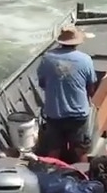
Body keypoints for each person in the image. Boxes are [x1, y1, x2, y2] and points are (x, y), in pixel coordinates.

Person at [36, 25, 98, 164]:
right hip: (78, 115)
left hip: (54, 113)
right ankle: (83, 174)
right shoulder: (85, 60)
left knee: (54, 150)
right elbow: (91, 87)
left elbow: (42, 83)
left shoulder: (47, 59)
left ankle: (52, 173)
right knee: (81, 151)